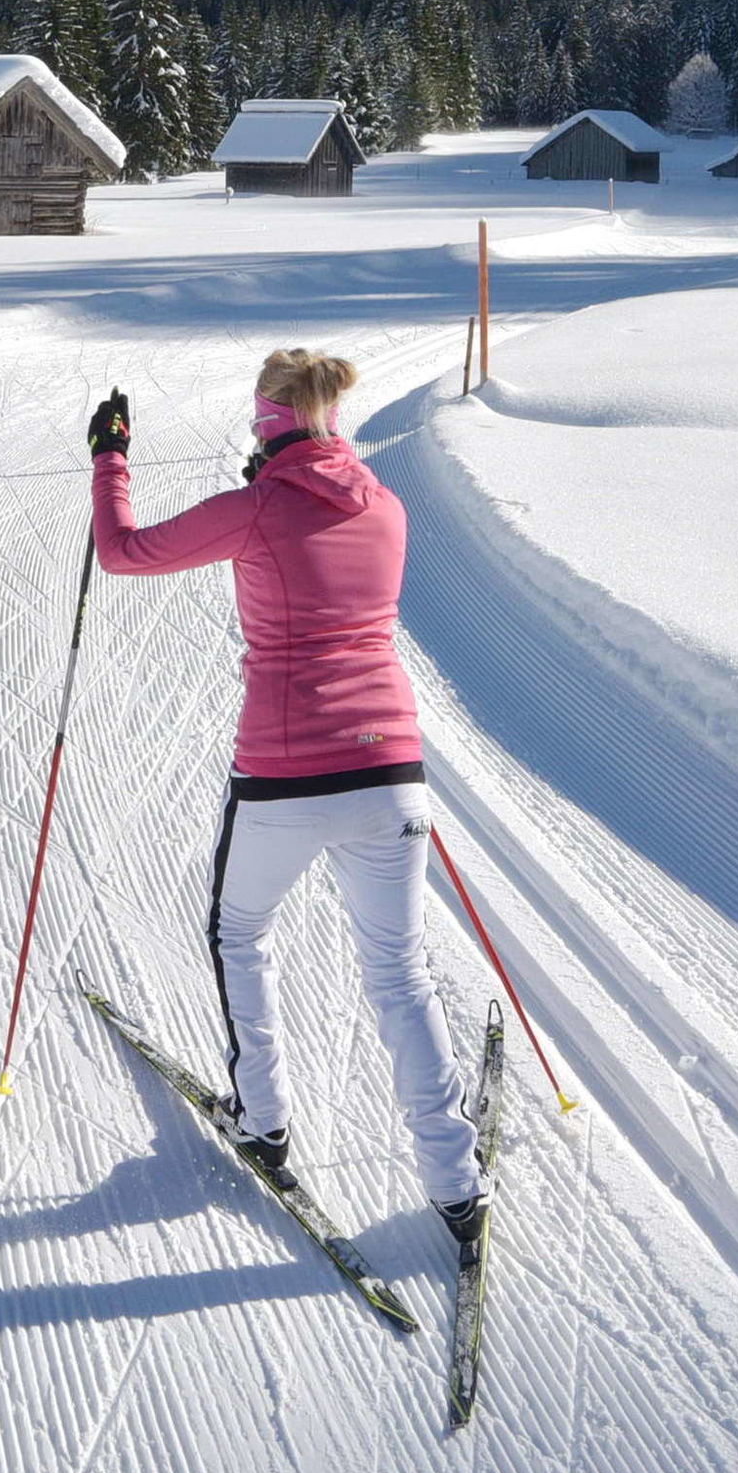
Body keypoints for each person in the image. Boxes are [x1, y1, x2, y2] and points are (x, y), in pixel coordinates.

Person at [86, 348, 485, 1245]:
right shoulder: (386, 506)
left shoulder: (257, 506)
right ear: (332, 415)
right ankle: (456, 1182)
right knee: (401, 974)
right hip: (389, 770)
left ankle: (262, 1120)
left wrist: (111, 458)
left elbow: (123, 554)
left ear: (267, 416)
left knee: (240, 932)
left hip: (283, 775)